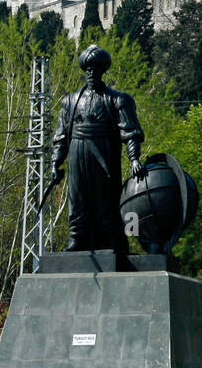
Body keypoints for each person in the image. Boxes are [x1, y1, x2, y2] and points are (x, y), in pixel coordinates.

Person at [51, 44, 145, 253]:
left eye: (97, 69)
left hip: (103, 151)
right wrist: (55, 163)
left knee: (106, 198)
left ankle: (110, 240)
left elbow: (130, 131)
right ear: (85, 70)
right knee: (77, 198)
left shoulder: (117, 99)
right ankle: (76, 239)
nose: (92, 73)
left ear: (103, 71)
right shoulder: (70, 101)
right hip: (77, 151)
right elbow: (60, 137)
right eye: (89, 69)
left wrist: (134, 159)